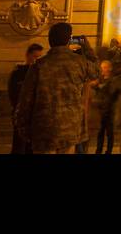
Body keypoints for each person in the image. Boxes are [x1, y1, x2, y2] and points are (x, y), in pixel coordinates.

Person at [14, 23, 99, 154]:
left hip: (44, 131)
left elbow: (25, 101)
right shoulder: (80, 63)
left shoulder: (38, 66)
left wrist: (23, 129)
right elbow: (96, 70)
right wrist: (85, 45)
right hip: (70, 130)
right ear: (68, 40)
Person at [7, 43, 43, 153]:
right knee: (18, 144)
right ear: (28, 55)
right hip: (21, 113)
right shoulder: (18, 72)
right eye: (35, 56)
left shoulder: (40, 73)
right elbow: (13, 93)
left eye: (39, 57)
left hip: (34, 115)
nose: (37, 60)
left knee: (31, 145)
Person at [94, 60, 116, 153]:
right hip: (101, 111)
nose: (102, 69)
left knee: (110, 133)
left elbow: (113, 93)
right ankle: (98, 150)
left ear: (109, 68)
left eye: (104, 67)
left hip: (110, 111)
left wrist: (101, 87)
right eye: (101, 67)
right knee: (100, 132)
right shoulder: (100, 80)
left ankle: (109, 151)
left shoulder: (113, 80)